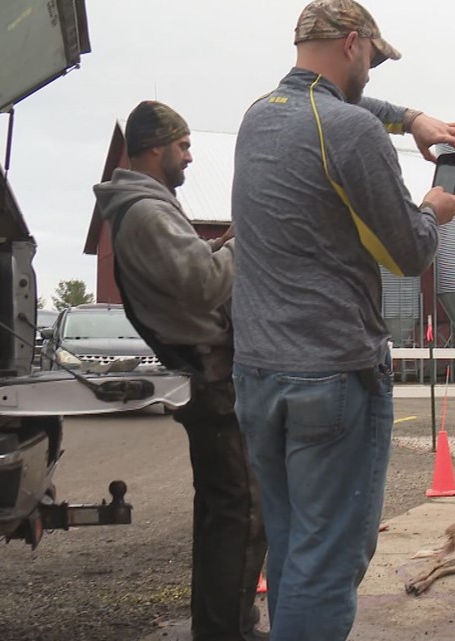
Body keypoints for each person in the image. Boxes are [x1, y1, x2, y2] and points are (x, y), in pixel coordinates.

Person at [228, 2, 455, 640]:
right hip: (333, 375)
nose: (371, 71)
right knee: (330, 558)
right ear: (353, 43)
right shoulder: (351, 130)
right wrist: (433, 208)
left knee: (292, 544)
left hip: (258, 375)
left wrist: (410, 117)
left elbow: (338, 103)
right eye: (371, 58)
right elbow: (408, 251)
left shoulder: (258, 117)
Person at [92, 100, 268, 641]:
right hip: (210, 376)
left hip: (203, 373)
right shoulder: (147, 212)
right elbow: (205, 285)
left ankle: (221, 625)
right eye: (183, 145)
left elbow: (187, 271)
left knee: (223, 510)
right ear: (154, 148)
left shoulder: (145, 208)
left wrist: (218, 245)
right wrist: (247, 241)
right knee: (241, 511)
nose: (189, 156)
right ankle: (227, 631)